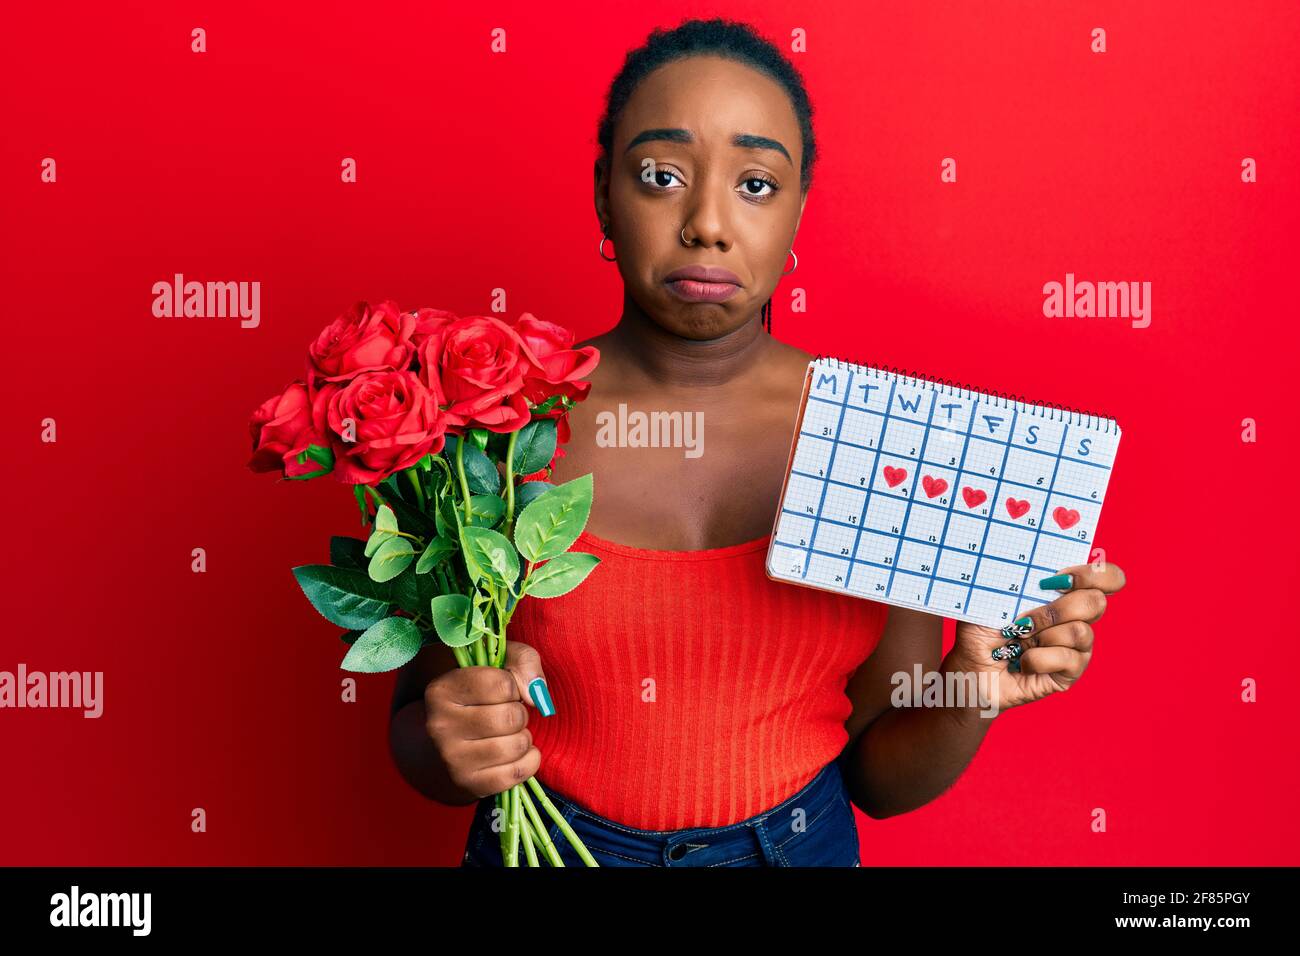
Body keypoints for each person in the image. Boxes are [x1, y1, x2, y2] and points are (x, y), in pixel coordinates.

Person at [387, 17, 1127, 867]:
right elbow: (418, 726)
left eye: (756, 185)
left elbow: (880, 782)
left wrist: (972, 690)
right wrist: (451, 741)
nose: (707, 223)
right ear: (603, 193)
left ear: (799, 209)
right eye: (661, 176)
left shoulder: (880, 434)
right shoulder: (498, 431)